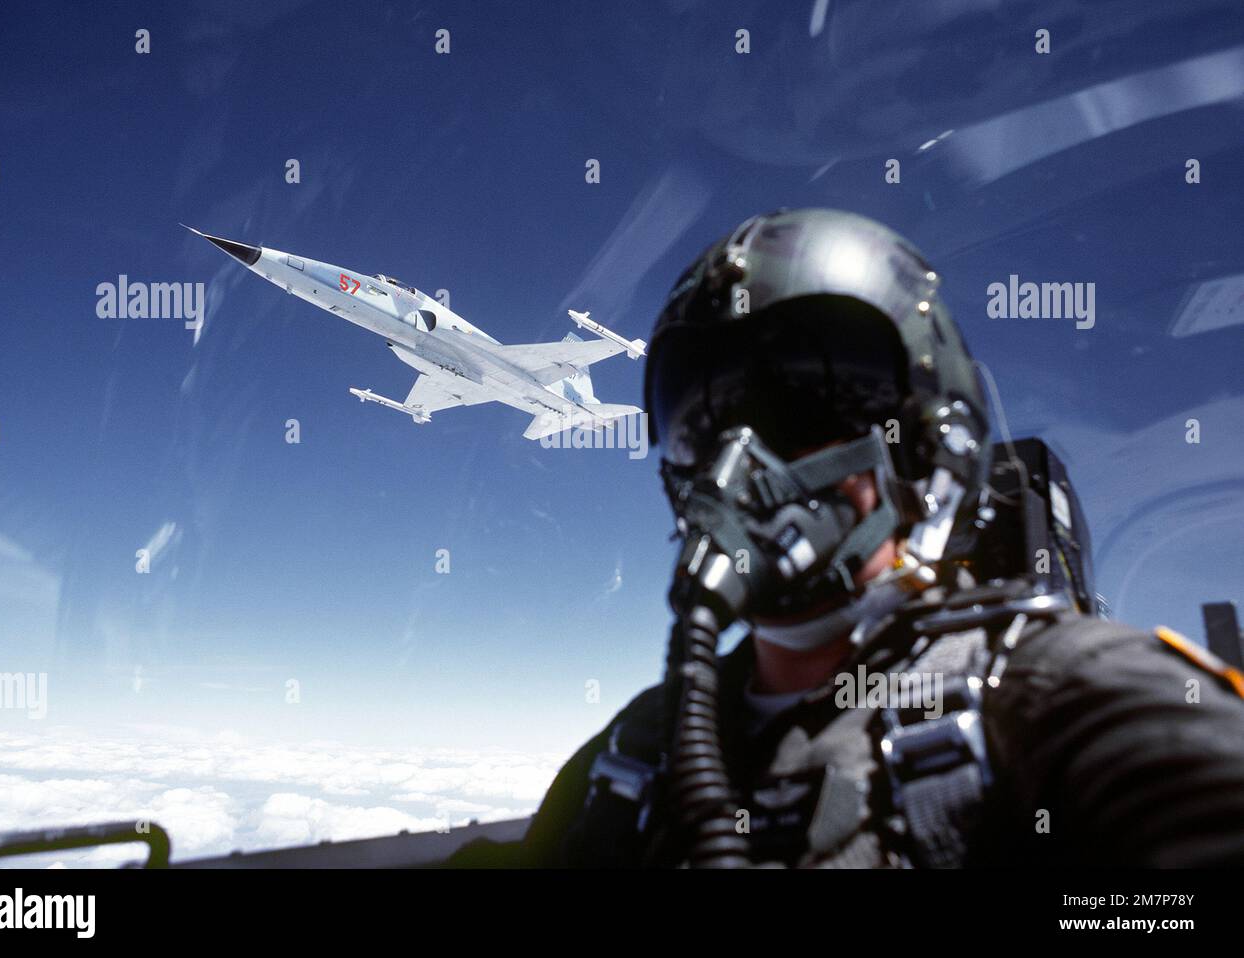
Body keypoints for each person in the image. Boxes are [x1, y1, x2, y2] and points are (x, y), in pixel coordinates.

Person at [452, 208, 1244, 868]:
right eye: (701, 422)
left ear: (926, 441)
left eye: (803, 408)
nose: (736, 465)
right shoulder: (637, 749)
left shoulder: (1062, 691)